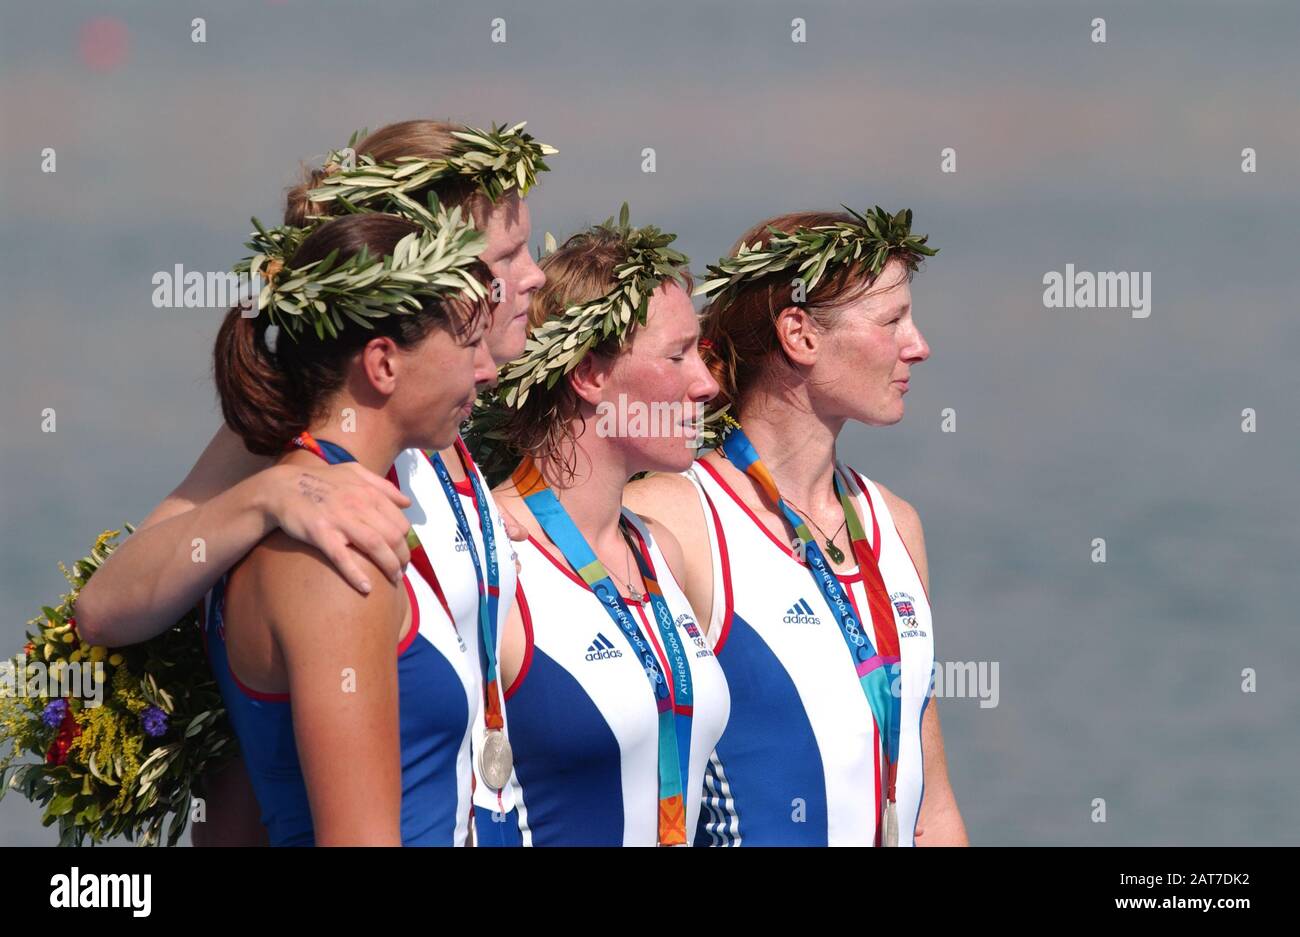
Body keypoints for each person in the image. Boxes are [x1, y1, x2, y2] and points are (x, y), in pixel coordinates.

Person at [73, 120, 553, 844]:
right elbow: (106, 607)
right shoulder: (310, 418)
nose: (534, 276)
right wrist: (266, 496)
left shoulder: (449, 417)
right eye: (508, 256)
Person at [623, 207, 969, 845]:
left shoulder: (896, 523)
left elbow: (934, 810)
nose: (918, 346)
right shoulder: (677, 518)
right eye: (892, 321)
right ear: (800, 334)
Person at [207, 209, 492, 844]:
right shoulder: (334, 558)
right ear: (383, 364)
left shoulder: (326, 503)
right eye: (468, 344)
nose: (487, 370)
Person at [466, 208, 729, 846]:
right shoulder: (499, 555)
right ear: (588, 375)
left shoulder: (658, 549)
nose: (707, 385)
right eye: (678, 356)